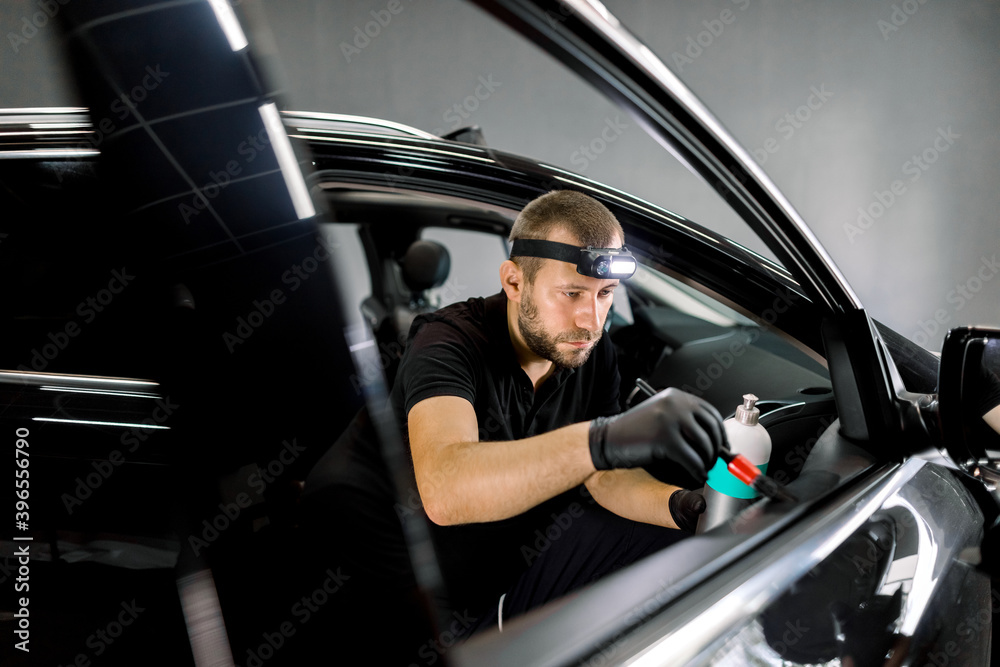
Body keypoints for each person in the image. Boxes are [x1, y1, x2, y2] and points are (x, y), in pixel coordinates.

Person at [303, 190, 725, 643]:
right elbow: (446, 491)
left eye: (605, 294)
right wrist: (605, 438)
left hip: (501, 565)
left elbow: (602, 475)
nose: (591, 320)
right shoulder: (446, 345)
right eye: (571, 293)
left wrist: (681, 507)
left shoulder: (587, 350)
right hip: (406, 589)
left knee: (676, 550)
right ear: (514, 282)